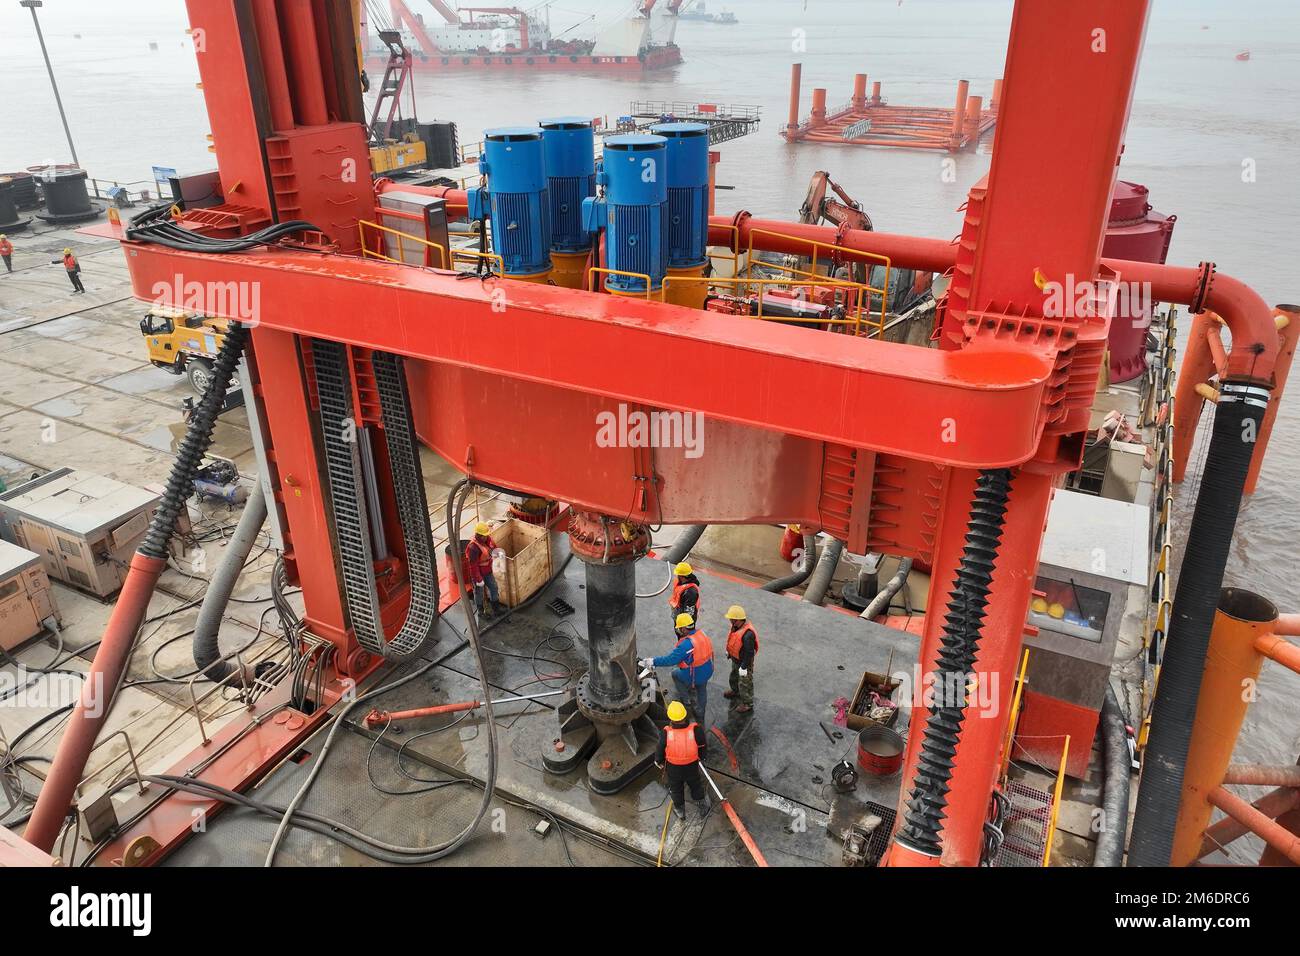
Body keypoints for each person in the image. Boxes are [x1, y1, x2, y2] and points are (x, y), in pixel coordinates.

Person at [640, 611, 714, 725]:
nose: (679, 630)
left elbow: (670, 659)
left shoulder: (686, 645)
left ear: (684, 629)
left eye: (680, 628)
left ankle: (686, 700)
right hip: (708, 670)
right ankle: (701, 712)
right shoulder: (702, 634)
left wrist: (653, 661)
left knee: (675, 674)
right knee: (702, 690)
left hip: (694, 675)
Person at [655, 700, 707, 821]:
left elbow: (660, 748)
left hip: (673, 768)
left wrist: (659, 761)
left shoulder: (666, 733)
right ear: (685, 715)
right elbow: (702, 745)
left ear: (670, 718)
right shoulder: (696, 730)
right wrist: (703, 757)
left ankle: (680, 811)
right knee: (695, 785)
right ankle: (702, 805)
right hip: (692, 766)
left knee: (676, 789)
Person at [722, 604, 758, 713]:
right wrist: (730, 652)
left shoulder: (748, 635)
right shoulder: (736, 627)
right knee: (733, 676)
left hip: (744, 663)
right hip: (736, 659)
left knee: (745, 683)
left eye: (731, 619)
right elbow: (734, 642)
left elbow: (749, 653)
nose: (730, 621)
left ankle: (747, 703)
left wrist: (743, 667)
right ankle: (735, 691)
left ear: (737, 620)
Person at [465, 521, 503, 618]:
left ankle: (496, 609)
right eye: (484, 536)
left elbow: (493, 547)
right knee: (479, 593)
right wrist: (478, 579)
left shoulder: (487, 539)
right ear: (478, 535)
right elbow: (473, 566)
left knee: (494, 587)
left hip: (487, 571)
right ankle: (481, 612)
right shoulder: (473, 548)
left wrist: (498, 553)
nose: (486, 537)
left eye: (486, 535)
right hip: (478, 575)